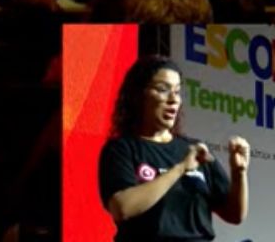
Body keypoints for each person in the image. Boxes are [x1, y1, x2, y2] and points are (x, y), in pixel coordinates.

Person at [99, 56, 249, 239]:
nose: (173, 100)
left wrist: (238, 172)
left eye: (177, 92)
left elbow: (235, 215)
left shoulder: (194, 150)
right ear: (138, 95)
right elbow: (122, 208)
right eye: (163, 90)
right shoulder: (122, 149)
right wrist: (179, 169)